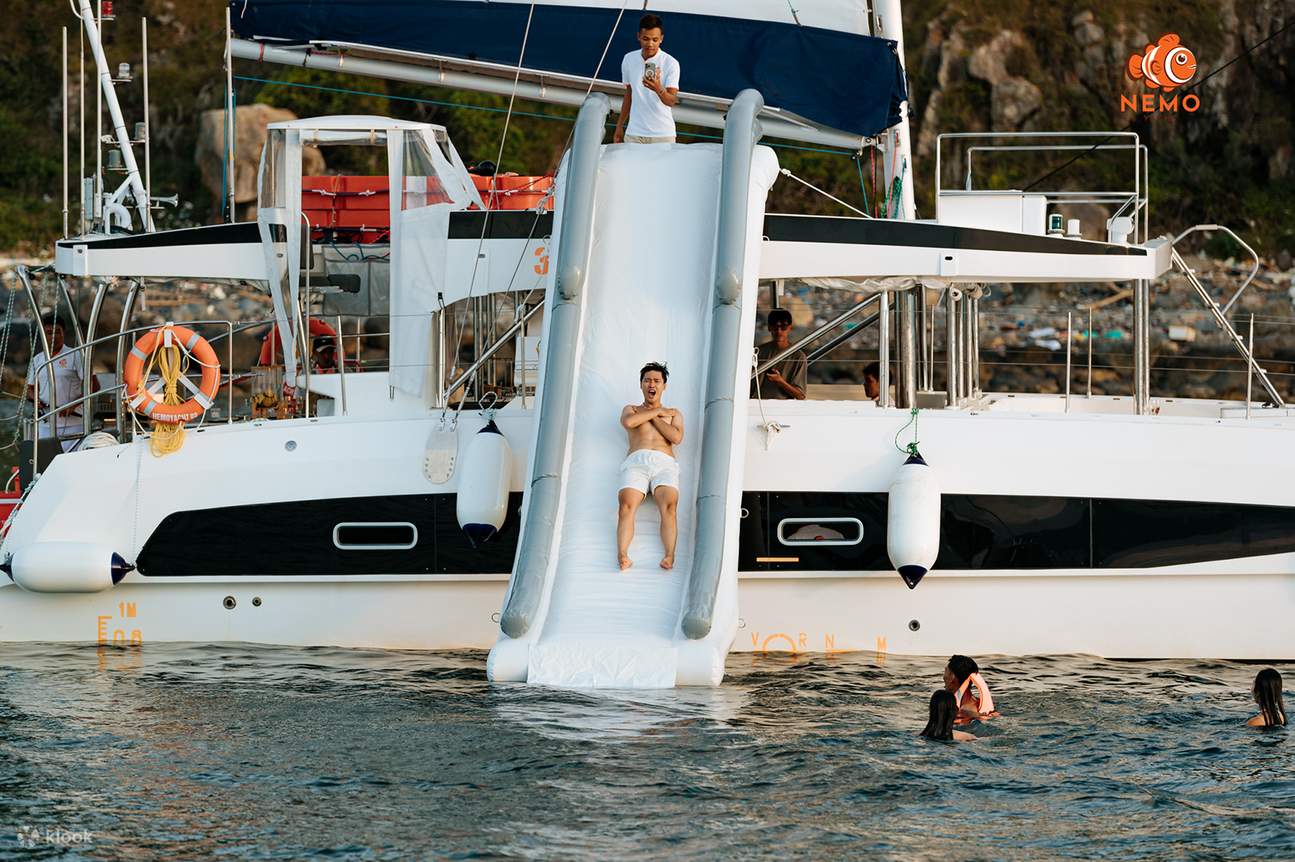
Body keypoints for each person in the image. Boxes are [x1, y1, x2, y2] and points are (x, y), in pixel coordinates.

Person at [617, 362, 684, 571]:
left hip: (664, 463)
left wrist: (656, 414)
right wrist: (656, 412)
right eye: (647, 380)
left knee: (670, 506)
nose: (651, 384)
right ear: (641, 385)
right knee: (626, 506)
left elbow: (676, 437)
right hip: (636, 462)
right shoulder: (631, 409)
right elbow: (629, 423)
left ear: (664, 386)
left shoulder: (673, 414)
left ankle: (669, 555)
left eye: (656, 381)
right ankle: (623, 555)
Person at [25, 314, 96, 452]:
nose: (53, 336)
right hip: (45, 423)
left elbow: (93, 385)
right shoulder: (37, 359)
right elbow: (31, 389)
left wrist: (73, 405)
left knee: (73, 460)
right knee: (47, 459)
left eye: (57, 332)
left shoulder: (76, 355)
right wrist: (36, 400)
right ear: (43, 335)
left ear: (63, 334)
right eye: (49, 333)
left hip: (75, 424)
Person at [613, 14, 681, 145]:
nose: (650, 44)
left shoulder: (671, 63)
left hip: (662, 135)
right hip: (634, 133)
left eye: (655, 39)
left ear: (661, 39)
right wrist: (619, 126)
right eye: (646, 39)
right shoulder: (628, 59)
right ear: (638, 36)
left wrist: (658, 88)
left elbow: (671, 101)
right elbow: (629, 95)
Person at [752, 308, 807, 400]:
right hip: (757, 403)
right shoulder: (759, 352)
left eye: (783, 327)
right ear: (769, 327)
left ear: (790, 328)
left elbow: (801, 395)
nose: (779, 331)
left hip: (783, 406)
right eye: (775, 326)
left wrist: (780, 381)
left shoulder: (798, 357)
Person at [944, 654, 999, 725]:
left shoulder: (965, 710)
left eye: (945, 671)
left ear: (952, 677)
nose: (943, 676)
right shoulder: (975, 702)